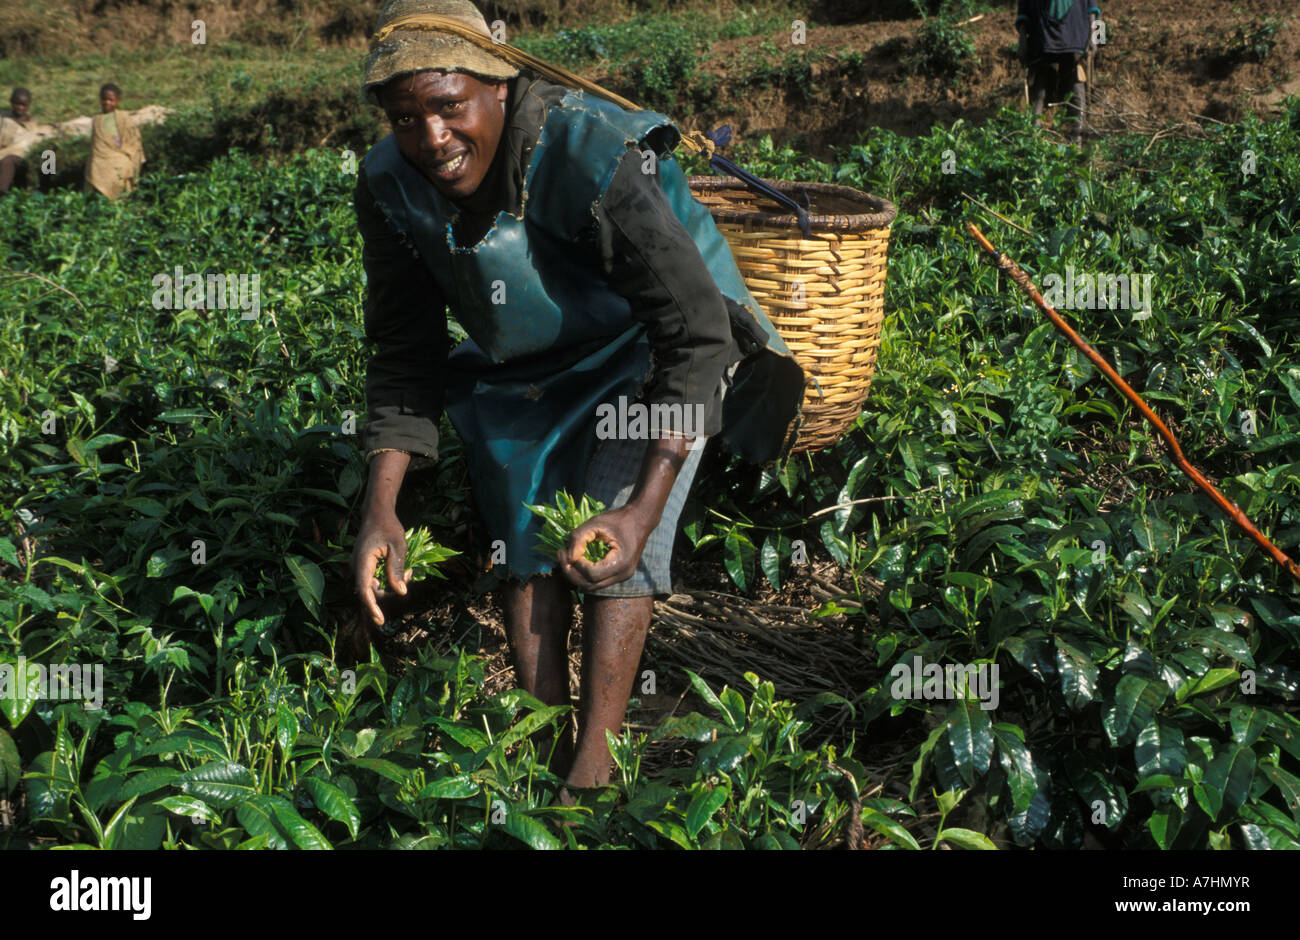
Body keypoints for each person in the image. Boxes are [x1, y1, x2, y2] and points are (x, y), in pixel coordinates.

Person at [350, 0, 804, 800]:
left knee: (608, 527)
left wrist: (641, 509)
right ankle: (539, 742)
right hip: (528, 364)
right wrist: (381, 509)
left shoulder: (584, 148)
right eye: (405, 118)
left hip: (648, 344)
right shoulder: (390, 184)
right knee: (526, 546)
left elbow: (693, 333)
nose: (431, 139)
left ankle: (594, 765)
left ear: (497, 84)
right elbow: (404, 352)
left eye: (449, 107)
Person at [1016, 0, 1100, 143]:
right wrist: (1022, 41)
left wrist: (1097, 38)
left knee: (1076, 84)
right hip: (1042, 34)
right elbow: (1023, 11)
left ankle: (1077, 138)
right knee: (1039, 88)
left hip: (1074, 33)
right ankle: (1034, 139)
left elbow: (1094, 9)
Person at [84, 83, 145, 198]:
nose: (107, 102)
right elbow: (96, 146)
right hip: (99, 160)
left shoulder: (124, 118)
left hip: (119, 157)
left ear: (117, 102)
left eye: (111, 100)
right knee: (94, 169)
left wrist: (127, 156)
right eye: (104, 99)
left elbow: (134, 142)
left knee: (123, 168)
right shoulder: (96, 120)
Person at [0, 87, 35, 193]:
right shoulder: (3, 119)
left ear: (29, 105)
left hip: (24, 157)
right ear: (11, 102)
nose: (20, 107)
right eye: (17, 104)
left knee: (49, 155)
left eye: (24, 105)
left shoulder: (33, 124)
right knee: (7, 161)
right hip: (5, 155)